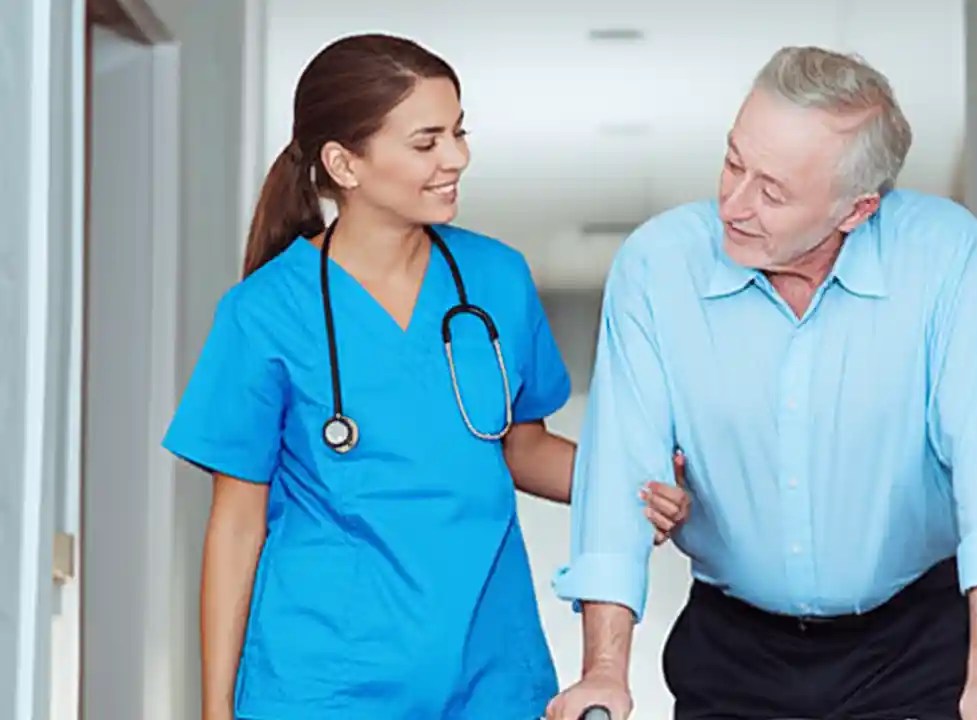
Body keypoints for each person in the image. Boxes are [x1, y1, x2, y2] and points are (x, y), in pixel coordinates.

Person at [162, 33, 691, 720]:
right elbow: (236, 524)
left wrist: (633, 487)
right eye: (427, 142)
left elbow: (521, 448)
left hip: (488, 670)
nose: (457, 158)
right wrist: (215, 709)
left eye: (459, 133)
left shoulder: (494, 279)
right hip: (324, 681)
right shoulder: (265, 313)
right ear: (344, 164)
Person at [547, 46, 977, 720]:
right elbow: (620, 480)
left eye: (773, 190)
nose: (733, 203)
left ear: (856, 210)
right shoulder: (658, 265)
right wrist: (602, 673)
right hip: (734, 648)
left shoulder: (944, 256)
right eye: (734, 162)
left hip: (912, 645)